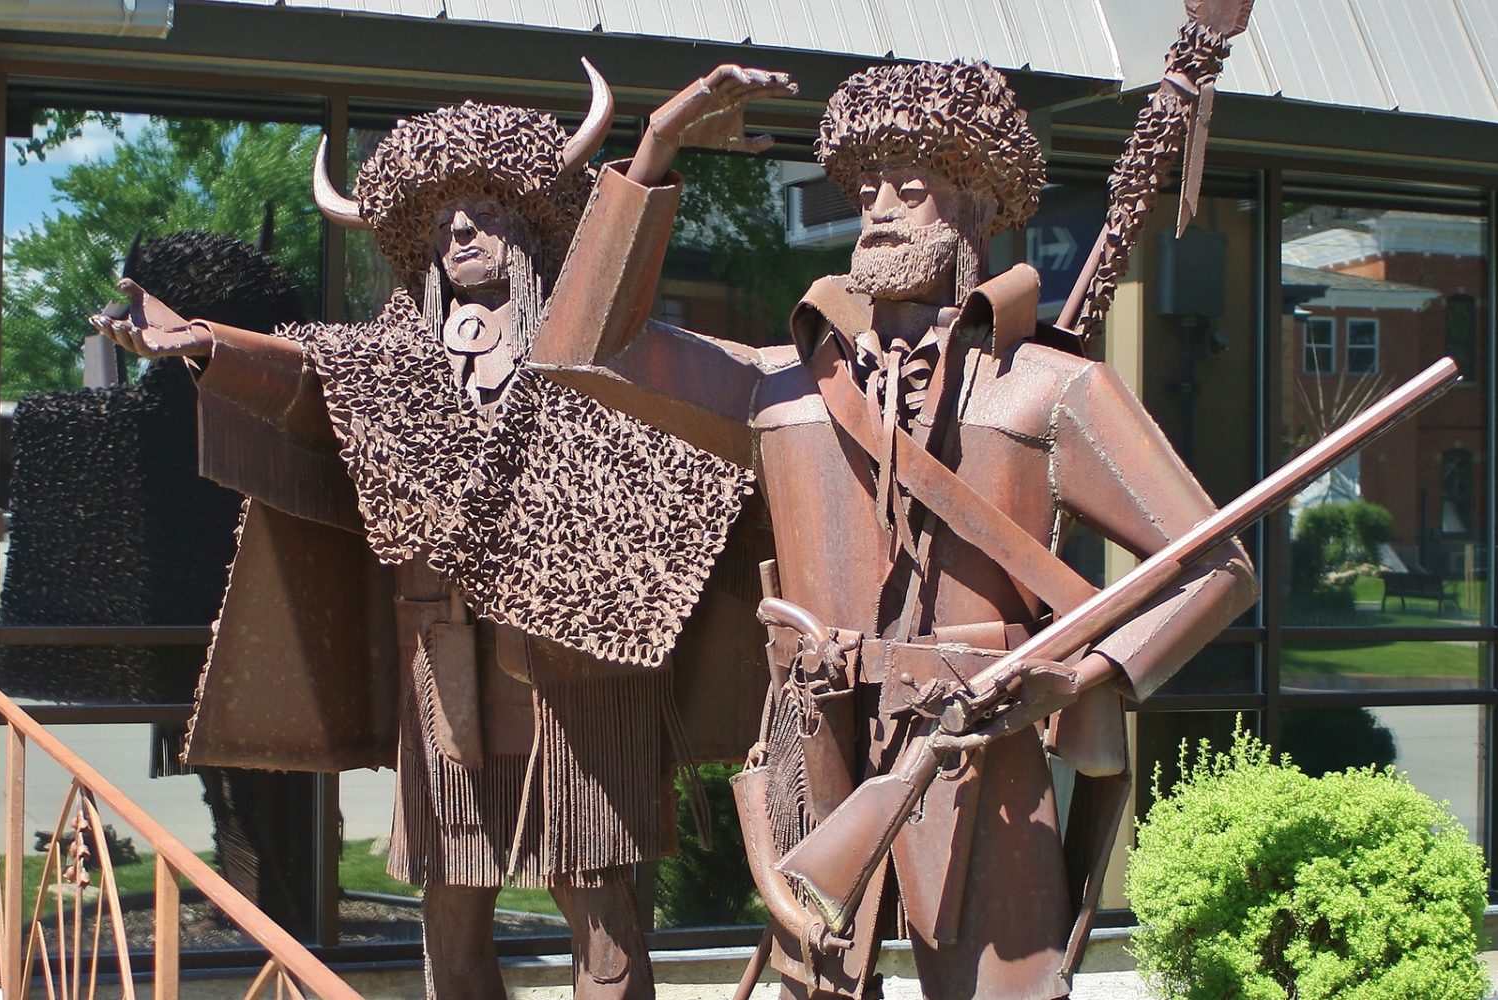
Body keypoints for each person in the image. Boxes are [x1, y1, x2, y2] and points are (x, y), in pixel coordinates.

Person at [530, 58, 1259, 999]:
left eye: (910, 188)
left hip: (977, 745)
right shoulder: (776, 384)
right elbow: (583, 348)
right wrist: (656, 153)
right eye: (865, 187)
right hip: (815, 735)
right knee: (815, 988)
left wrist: (1079, 679)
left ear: (978, 202)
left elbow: (1215, 568)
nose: (877, 208)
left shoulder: (1052, 387)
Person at [93, 70, 752, 1000]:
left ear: (534, 221)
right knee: (451, 904)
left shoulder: (585, 335)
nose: (461, 231)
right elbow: (306, 374)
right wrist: (205, 341)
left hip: (577, 665)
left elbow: (616, 257)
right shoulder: (391, 361)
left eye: (485, 209)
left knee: (596, 899)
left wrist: (656, 145)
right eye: (439, 222)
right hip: (441, 673)